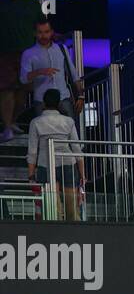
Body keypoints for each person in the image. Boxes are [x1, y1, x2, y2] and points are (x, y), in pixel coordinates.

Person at [27, 88, 84, 221]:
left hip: (45, 164)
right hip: (68, 163)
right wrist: (82, 174)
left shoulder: (36, 122)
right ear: (59, 103)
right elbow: (76, 149)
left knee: (52, 210)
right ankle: (77, 235)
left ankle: (55, 237)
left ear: (44, 103)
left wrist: (31, 176)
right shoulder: (68, 121)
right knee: (72, 208)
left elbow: (32, 152)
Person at [0, 0, 44, 142]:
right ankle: (8, 126)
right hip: (3, 53)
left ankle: (12, 122)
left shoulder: (32, 3)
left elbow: (41, 25)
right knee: (6, 89)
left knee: (23, 90)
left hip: (27, 54)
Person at [19, 18, 82, 119]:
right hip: (42, 101)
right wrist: (39, 71)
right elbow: (23, 78)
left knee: (69, 130)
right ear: (35, 33)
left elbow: (73, 74)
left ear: (51, 32)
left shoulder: (61, 49)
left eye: (46, 32)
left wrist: (81, 96)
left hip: (63, 98)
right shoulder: (29, 53)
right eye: (40, 32)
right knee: (44, 132)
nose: (43, 36)